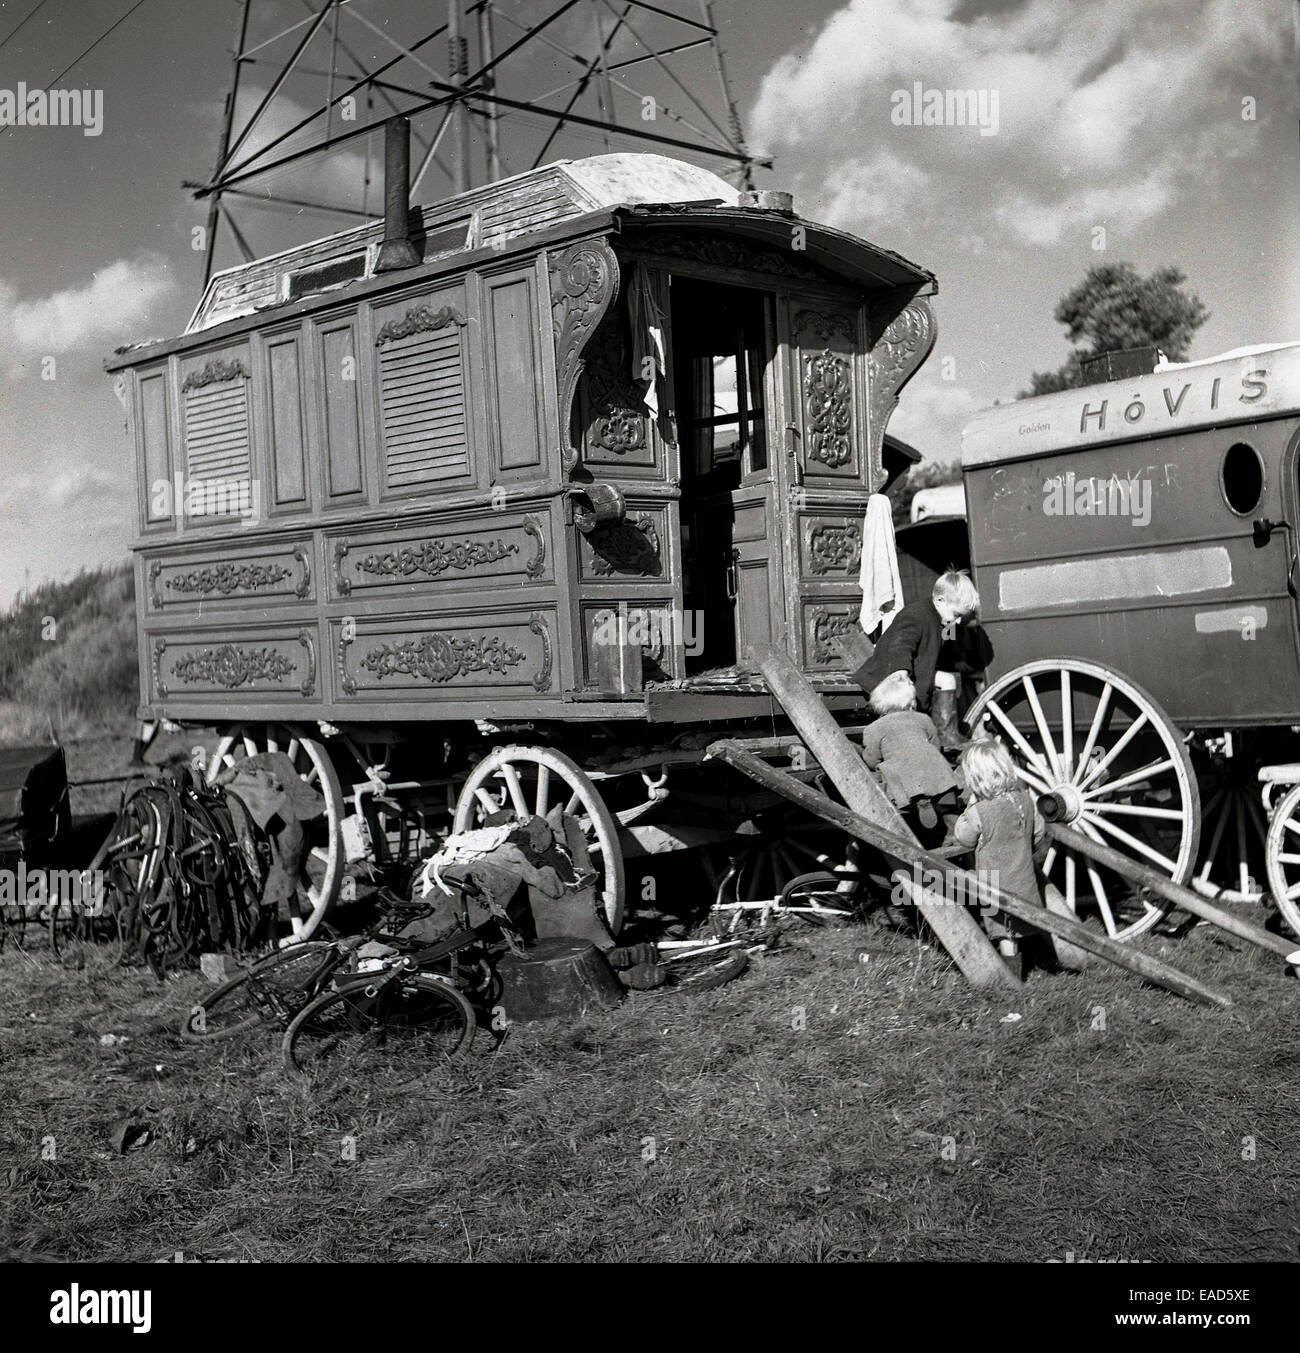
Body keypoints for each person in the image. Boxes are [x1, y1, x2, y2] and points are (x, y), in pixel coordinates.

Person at [851, 570, 990, 748]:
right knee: (943, 681)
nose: (958, 622)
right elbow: (901, 644)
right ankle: (943, 733)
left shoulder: (947, 622)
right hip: (889, 674)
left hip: (919, 671)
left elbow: (945, 652)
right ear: (940, 600)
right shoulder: (915, 614)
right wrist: (900, 672)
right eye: (956, 615)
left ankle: (947, 733)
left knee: (949, 679)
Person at [951, 740, 1046, 962]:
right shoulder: (1025, 800)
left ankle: (1011, 975)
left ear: (974, 779)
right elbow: (1039, 832)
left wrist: (970, 806)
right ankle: (1032, 955)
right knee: (1016, 925)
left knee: (1005, 931)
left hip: (996, 886)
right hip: (1024, 880)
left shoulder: (980, 811)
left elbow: (963, 837)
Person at [860, 673, 960, 840]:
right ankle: (953, 833)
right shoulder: (923, 719)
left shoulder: (873, 728)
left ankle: (911, 834)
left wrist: (876, 763)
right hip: (935, 775)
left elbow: (871, 758)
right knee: (947, 804)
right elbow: (936, 745)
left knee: (896, 789)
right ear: (911, 701)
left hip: (903, 784)